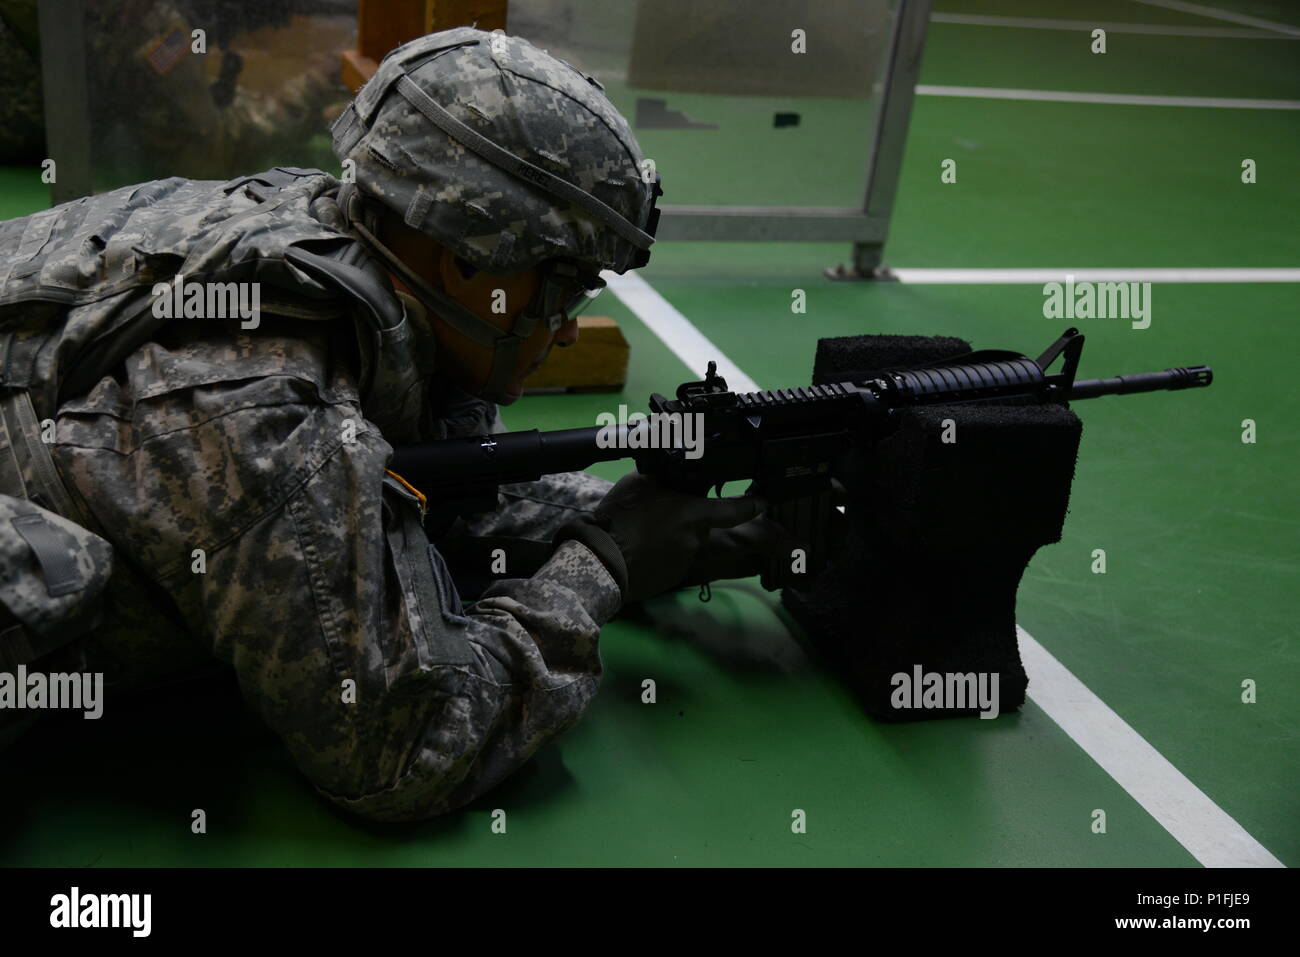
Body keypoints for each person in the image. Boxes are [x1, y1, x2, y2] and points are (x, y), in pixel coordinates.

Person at [0, 27, 772, 819]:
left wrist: (649, 523)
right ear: (467, 263)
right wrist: (599, 571)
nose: (568, 328)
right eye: (564, 290)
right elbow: (402, 749)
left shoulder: (336, 241)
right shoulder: (266, 408)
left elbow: (421, 486)